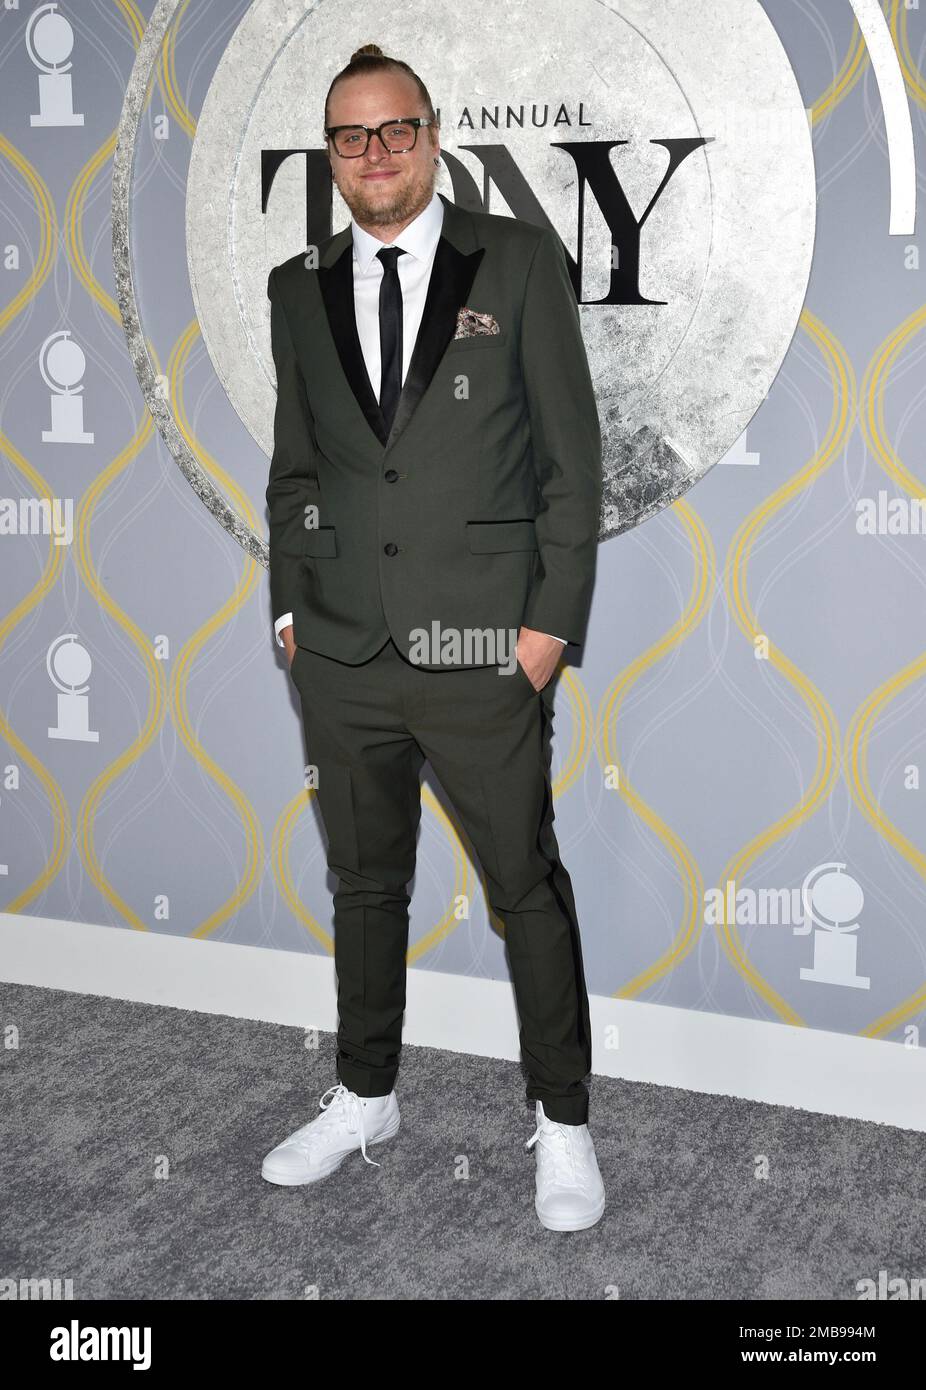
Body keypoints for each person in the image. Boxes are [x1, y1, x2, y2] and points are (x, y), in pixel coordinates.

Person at [261, 43, 604, 1232]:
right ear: (333, 155)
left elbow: (571, 464)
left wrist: (545, 632)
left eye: (394, 129)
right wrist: (292, 610)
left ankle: (561, 1121)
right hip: (342, 655)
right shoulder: (294, 286)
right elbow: (295, 465)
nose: (375, 154)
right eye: (350, 138)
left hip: (481, 653)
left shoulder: (512, 261)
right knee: (364, 884)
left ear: (431, 132)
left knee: (524, 887)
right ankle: (365, 1094)